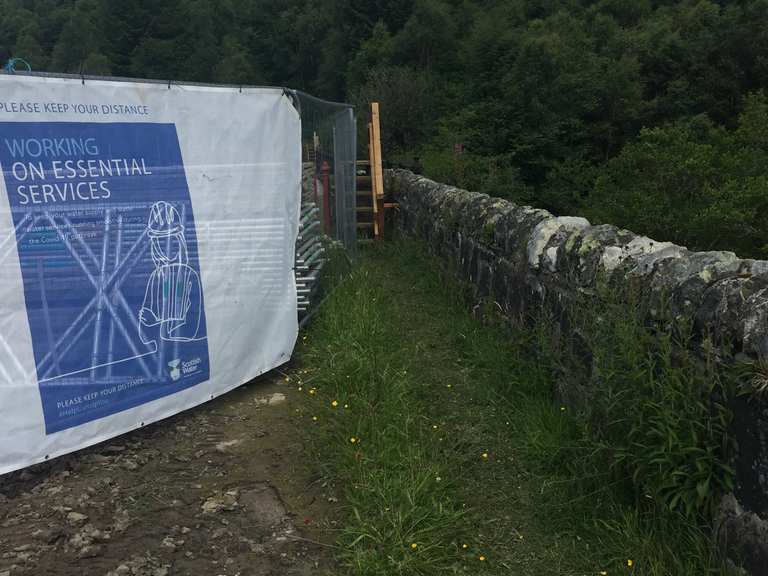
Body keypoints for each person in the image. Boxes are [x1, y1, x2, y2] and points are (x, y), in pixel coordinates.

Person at [138, 201, 204, 347]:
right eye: (160, 241)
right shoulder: (155, 277)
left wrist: (157, 324)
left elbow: (192, 329)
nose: (166, 247)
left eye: (171, 239)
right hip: (158, 354)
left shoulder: (190, 276)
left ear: (179, 240)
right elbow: (144, 334)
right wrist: (165, 326)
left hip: (187, 352)